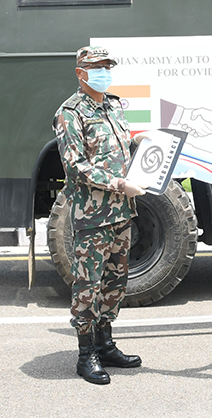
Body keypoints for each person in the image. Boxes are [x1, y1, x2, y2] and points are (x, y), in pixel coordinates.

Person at [53, 45, 146, 385]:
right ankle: (85, 354)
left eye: (108, 66)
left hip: (121, 213)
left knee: (115, 283)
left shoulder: (115, 105)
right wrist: (120, 183)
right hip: (92, 216)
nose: (104, 71)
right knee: (88, 285)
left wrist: (142, 145)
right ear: (81, 73)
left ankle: (106, 345)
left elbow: (121, 149)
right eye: (97, 66)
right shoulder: (70, 113)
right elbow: (76, 167)